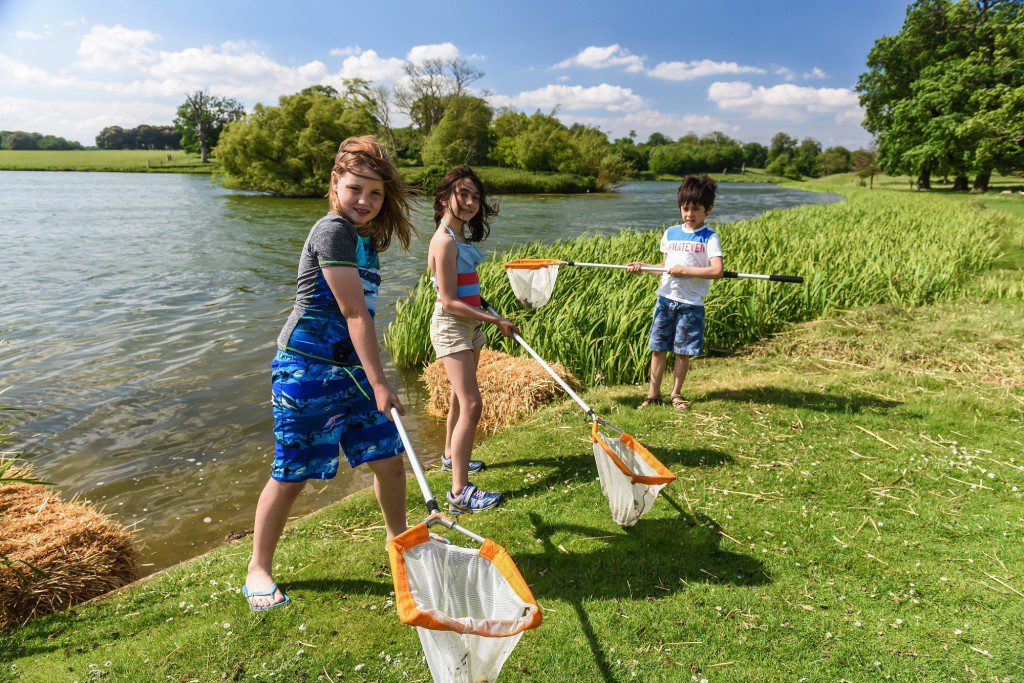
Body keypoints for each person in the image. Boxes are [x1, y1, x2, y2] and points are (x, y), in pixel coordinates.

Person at [244, 136, 416, 610]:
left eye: (375, 193)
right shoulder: (332, 230)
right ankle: (258, 568)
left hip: (352, 371)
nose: (364, 200)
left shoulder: (365, 240)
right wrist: (381, 381)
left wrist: (371, 377)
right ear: (335, 184)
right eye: (356, 188)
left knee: (387, 458)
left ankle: (399, 543)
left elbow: (364, 318)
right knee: (292, 472)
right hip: (307, 371)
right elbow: (354, 313)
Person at [427, 166, 518, 515]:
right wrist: (494, 320)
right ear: (444, 197)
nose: (468, 202)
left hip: (467, 324)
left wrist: (485, 311)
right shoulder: (445, 240)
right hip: (452, 326)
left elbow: (460, 289)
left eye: (474, 197)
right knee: (472, 404)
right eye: (462, 194)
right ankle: (460, 493)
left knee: (456, 398)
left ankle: (451, 457)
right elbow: (448, 301)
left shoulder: (457, 236)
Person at [627, 174, 723, 411]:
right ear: (680, 207)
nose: (690, 214)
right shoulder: (670, 233)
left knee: (682, 352)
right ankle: (652, 395)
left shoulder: (709, 237)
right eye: (685, 208)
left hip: (691, 304)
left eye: (696, 209)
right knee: (658, 349)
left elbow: (717, 270)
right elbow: (664, 267)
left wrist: (687, 271)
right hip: (665, 300)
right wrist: (643, 267)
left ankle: (676, 394)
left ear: (708, 209)